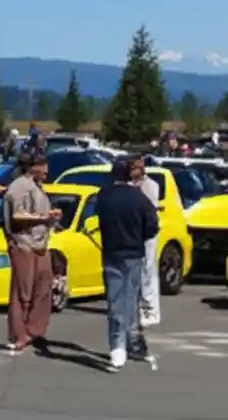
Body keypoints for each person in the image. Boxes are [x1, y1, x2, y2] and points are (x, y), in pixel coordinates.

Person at [97, 159, 160, 371]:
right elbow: (152, 225)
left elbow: (98, 220)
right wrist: (140, 236)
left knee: (114, 300)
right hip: (134, 253)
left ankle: (117, 347)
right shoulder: (139, 198)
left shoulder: (104, 196)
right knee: (130, 298)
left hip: (112, 252)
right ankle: (130, 340)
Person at [0, 152, 60, 353]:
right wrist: (43, 217)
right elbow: (17, 215)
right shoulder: (19, 187)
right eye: (43, 167)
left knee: (43, 286)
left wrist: (50, 217)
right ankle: (18, 334)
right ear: (32, 166)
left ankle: (34, 330)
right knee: (22, 291)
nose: (47, 171)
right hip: (23, 244)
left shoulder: (37, 186)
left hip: (41, 244)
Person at [126, 157, 161, 327]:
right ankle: (138, 305)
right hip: (133, 233)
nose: (133, 171)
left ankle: (151, 309)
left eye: (135, 167)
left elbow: (149, 210)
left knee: (148, 269)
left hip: (147, 232)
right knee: (137, 269)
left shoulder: (151, 186)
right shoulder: (128, 186)